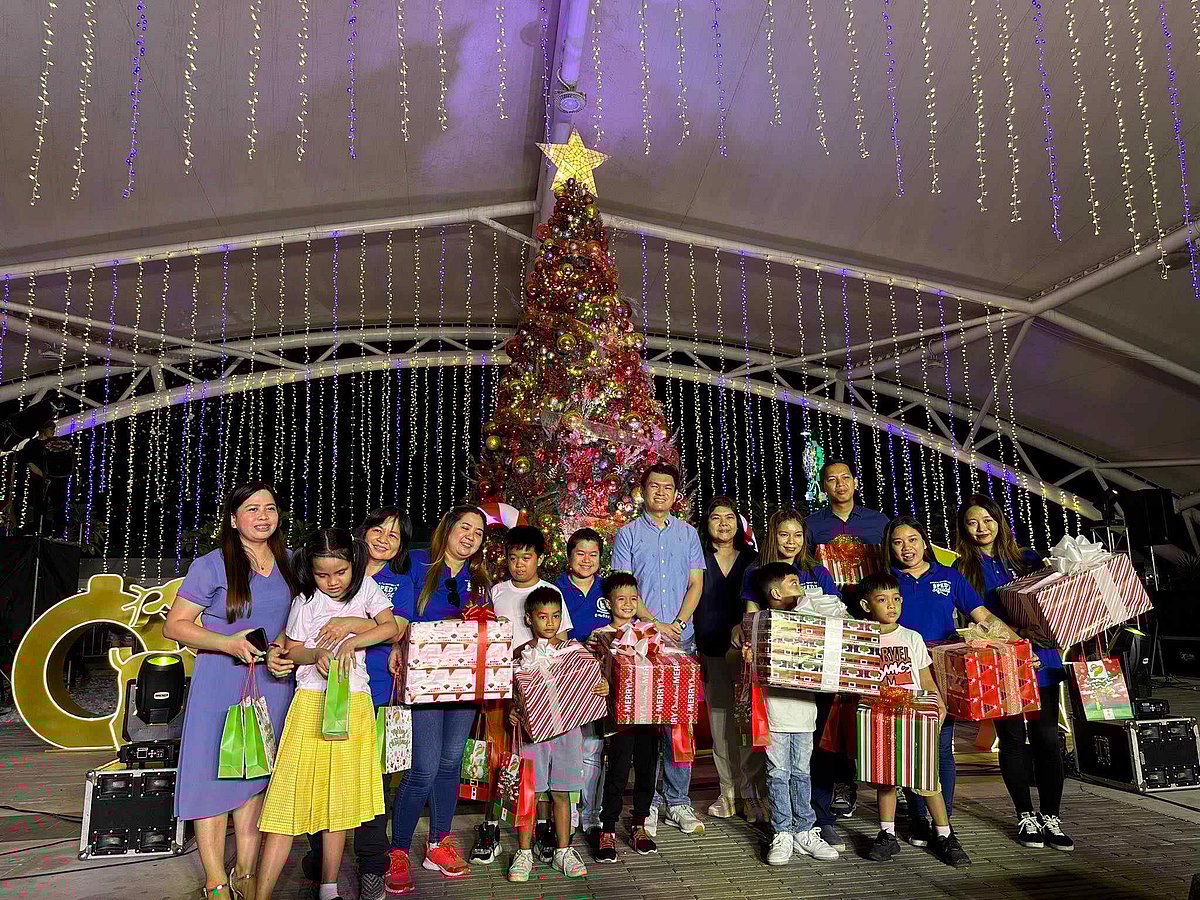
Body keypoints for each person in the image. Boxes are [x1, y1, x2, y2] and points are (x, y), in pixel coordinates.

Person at [164, 482, 301, 900]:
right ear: (234, 519)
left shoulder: (289, 561)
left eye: (270, 508)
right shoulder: (211, 565)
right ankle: (215, 881)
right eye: (252, 509)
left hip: (272, 683)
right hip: (220, 683)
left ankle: (244, 871)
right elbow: (175, 625)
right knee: (213, 777)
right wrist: (228, 643)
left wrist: (282, 650)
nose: (263, 516)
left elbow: (297, 621)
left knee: (255, 776)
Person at [255, 529, 399, 900]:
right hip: (310, 703)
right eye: (323, 574)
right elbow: (293, 650)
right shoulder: (305, 601)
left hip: (354, 703)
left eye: (340, 572)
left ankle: (329, 888)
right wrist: (317, 654)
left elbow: (391, 627)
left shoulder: (366, 589)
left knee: (341, 801)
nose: (332, 581)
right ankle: (260, 893)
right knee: (287, 796)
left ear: (353, 565)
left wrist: (353, 638)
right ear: (311, 571)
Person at [884, 514, 1018, 848]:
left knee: (942, 747)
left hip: (941, 672)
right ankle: (917, 817)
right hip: (901, 671)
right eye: (898, 542)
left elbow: (982, 617)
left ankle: (942, 820)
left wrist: (1017, 646)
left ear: (924, 542)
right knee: (910, 746)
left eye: (913, 540)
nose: (907, 548)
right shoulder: (887, 580)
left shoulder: (949, 576)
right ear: (890, 547)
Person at [300, 509, 413, 900]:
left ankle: (371, 867)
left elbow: (396, 628)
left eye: (394, 535)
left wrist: (350, 625)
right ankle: (321, 863)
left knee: (372, 786)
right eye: (378, 530)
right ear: (361, 534)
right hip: (324, 694)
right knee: (322, 780)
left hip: (376, 693)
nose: (384, 539)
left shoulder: (398, 581)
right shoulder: (331, 575)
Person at [954, 495, 1074, 852]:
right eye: (973, 522)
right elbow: (973, 619)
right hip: (1000, 664)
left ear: (999, 522)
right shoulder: (963, 568)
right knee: (1011, 741)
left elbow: (1052, 607)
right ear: (963, 528)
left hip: (1041, 662)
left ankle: (1051, 817)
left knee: (1047, 740)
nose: (981, 528)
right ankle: (1025, 815)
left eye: (987, 520)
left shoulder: (1028, 560)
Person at [384, 505, 492, 896]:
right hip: (424, 681)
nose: (470, 536)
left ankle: (438, 843)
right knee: (424, 768)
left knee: (450, 764)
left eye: (478, 533)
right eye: (464, 527)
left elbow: (488, 632)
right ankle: (397, 850)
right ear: (447, 528)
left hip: (465, 683)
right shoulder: (417, 563)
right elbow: (397, 614)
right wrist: (397, 644)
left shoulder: (480, 579)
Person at [736, 508, 843, 847]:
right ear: (773, 536)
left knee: (813, 756)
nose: (791, 541)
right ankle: (783, 827)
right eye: (784, 534)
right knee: (779, 765)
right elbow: (752, 622)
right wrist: (748, 644)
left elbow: (836, 618)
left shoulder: (817, 572)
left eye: (798, 535)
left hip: (816, 680)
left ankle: (816, 822)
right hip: (775, 685)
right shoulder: (757, 572)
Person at [611, 462, 706, 837]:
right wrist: (655, 625)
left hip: (683, 638)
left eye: (668, 487)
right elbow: (625, 588)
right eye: (654, 486)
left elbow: (695, 584)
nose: (661, 492)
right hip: (643, 642)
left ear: (675, 493)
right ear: (643, 490)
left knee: (680, 724)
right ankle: (647, 803)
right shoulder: (628, 534)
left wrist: (678, 624)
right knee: (648, 725)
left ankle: (678, 802)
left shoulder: (688, 534)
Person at [470, 524, 572, 866]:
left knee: (536, 762)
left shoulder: (550, 592)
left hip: (540, 695)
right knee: (497, 756)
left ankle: (542, 829)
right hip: (500, 689)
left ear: (539, 558)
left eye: (526, 557)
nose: (519, 564)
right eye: (513, 557)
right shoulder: (496, 592)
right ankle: (490, 828)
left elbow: (562, 645)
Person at [856, 572, 971, 868]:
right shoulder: (861, 638)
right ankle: (887, 834)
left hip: (914, 718)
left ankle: (944, 834)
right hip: (880, 718)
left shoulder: (911, 637)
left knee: (927, 778)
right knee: (885, 779)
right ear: (866, 606)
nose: (891, 605)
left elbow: (925, 679)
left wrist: (938, 704)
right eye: (882, 600)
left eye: (896, 599)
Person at [507, 587, 607, 882]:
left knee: (563, 792)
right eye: (543, 617)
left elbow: (594, 681)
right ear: (529, 619)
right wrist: (513, 710)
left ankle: (563, 851)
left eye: (555, 616)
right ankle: (524, 852)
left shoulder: (574, 652)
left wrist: (603, 686)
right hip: (532, 738)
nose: (550, 623)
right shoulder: (520, 656)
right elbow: (512, 694)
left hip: (568, 733)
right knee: (530, 793)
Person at [747, 563, 840, 866]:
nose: (800, 589)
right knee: (777, 773)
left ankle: (804, 830)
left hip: (804, 713)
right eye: (793, 583)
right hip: (773, 714)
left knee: (802, 772)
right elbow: (738, 656)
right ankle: (782, 831)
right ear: (775, 593)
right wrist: (747, 654)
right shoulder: (762, 624)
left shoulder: (810, 619)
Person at [695, 497, 761, 822]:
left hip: (746, 655)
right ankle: (728, 793)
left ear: (738, 523)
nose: (723, 523)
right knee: (721, 726)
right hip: (711, 652)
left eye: (729, 517)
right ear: (706, 524)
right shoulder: (698, 559)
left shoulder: (752, 560)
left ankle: (751, 794)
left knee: (747, 725)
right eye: (716, 517)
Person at [588, 572, 658, 862]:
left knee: (647, 768)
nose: (628, 604)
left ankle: (640, 824)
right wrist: (601, 681)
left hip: (649, 715)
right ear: (608, 603)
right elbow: (590, 671)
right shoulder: (601, 636)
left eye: (633, 598)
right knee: (616, 771)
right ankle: (607, 829)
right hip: (618, 718)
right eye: (621, 599)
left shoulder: (649, 634)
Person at [556, 528, 611, 835]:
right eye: (580, 553)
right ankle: (568, 811)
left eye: (593, 554)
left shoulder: (607, 589)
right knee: (568, 749)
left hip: (601, 681)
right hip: (567, 680)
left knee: (593, 749)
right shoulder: (556, 589)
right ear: (569, 556)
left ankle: (590, 812)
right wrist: (579, 644)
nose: (586, 560)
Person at [805, 458, 890, 548]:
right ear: (824, 487)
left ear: (855, 482)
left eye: (845, 477)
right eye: (832, 479)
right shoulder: (810, 524)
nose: (840, 483)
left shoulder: (880, 521)